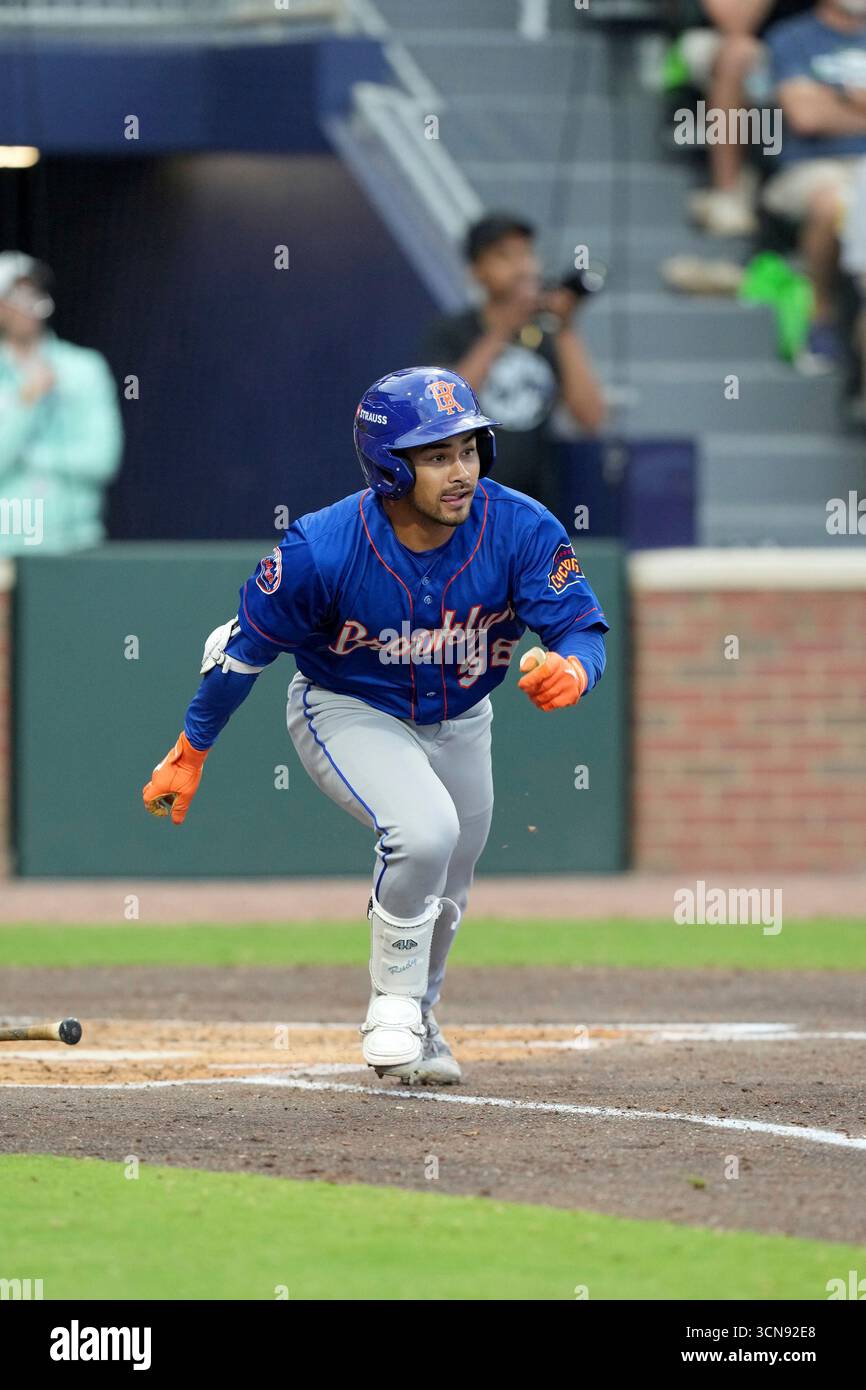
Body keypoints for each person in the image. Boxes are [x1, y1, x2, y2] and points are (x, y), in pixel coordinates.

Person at [142, 367, 608, 1086]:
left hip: (462, 714)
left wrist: (574, 669)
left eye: (469, 450)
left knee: (451, 879)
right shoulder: (321, 548)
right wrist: (190, 749)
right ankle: (391, 1006)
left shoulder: (519, 526)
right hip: (348, 706)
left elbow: (582, 627)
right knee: (425, 832)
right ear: (391, 467)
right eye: (436, 455)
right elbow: (241, 653)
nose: (461, 472)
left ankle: (421, 1015)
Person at [420, 215, 606, 511]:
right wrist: (501, 331)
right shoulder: (452, 333)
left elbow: (591, 418)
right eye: (504, 256)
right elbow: (442, 409)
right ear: (477, 271)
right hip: (464, 503)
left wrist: (566, 329)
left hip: (533, 508)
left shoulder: (550, 335)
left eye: (526, 253)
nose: (522, 266)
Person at [762, 0, 866, 371]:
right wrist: (850, 102)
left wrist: (835, 100)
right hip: (812, 168)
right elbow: (805, 116)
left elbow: (818, 108)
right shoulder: (793, 37)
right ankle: (819, 318)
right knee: (835, 200)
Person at [0, 252, 123, 553]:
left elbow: (102, 459)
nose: (27, 305)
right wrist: (25, 402)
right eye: (16, 295)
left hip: (76, 544)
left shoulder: (84, 367)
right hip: (6, 548)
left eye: (34, 294)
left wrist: (30, 457)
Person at [680, 0, 813, 235]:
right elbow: (734, 22)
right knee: (737, 54)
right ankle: (729, 193)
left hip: (818, 45)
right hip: (746, 46)